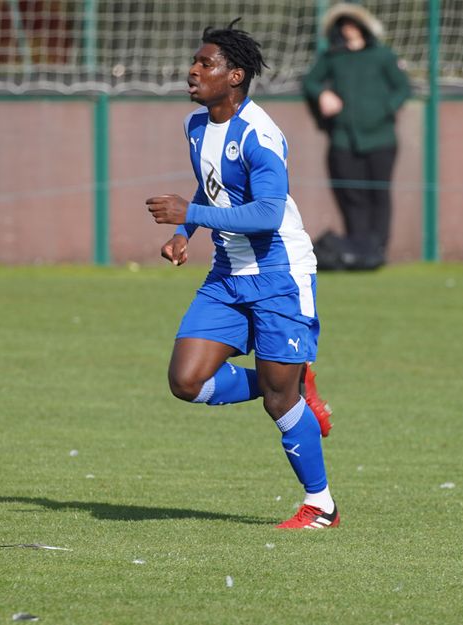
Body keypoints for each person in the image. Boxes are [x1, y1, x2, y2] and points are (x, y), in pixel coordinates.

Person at [146, 20, 338, 529]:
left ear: (234, 76)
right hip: (228, 273)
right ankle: (292, 383)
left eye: (204, 64)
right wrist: (185, 231)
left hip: (279, 273)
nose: (192, 71)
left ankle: (321, 505)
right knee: (186, 381)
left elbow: (268, 213)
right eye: (194, 61)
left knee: (280, 405)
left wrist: (191, 212)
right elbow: (213, 192)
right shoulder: (195, 126)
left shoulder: (260, 135)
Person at [302, 3, 410, 270]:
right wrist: (323, 95)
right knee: (351, 195)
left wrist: (385, 108)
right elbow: (310, 82)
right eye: (343, 25)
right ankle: (357, 248)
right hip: (343, 140)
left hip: (381, 138)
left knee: (379, 194)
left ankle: (377, 250)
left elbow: (403, 87)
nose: (348, 30)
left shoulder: (382, 55)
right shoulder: (332, 57)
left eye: (351, 24)